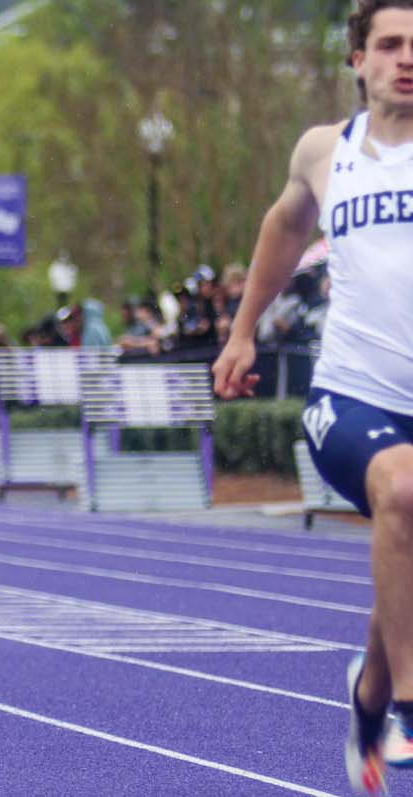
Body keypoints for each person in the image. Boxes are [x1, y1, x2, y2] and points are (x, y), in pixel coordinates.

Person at [212, 4, 413, 793]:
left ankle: (370, 688)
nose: (408, 59)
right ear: (357, 60)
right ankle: (406, 705)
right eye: (392, 45)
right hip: (350, 396)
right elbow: (283, 227)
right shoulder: (326, 152)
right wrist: (240, 333)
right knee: (401, 489)